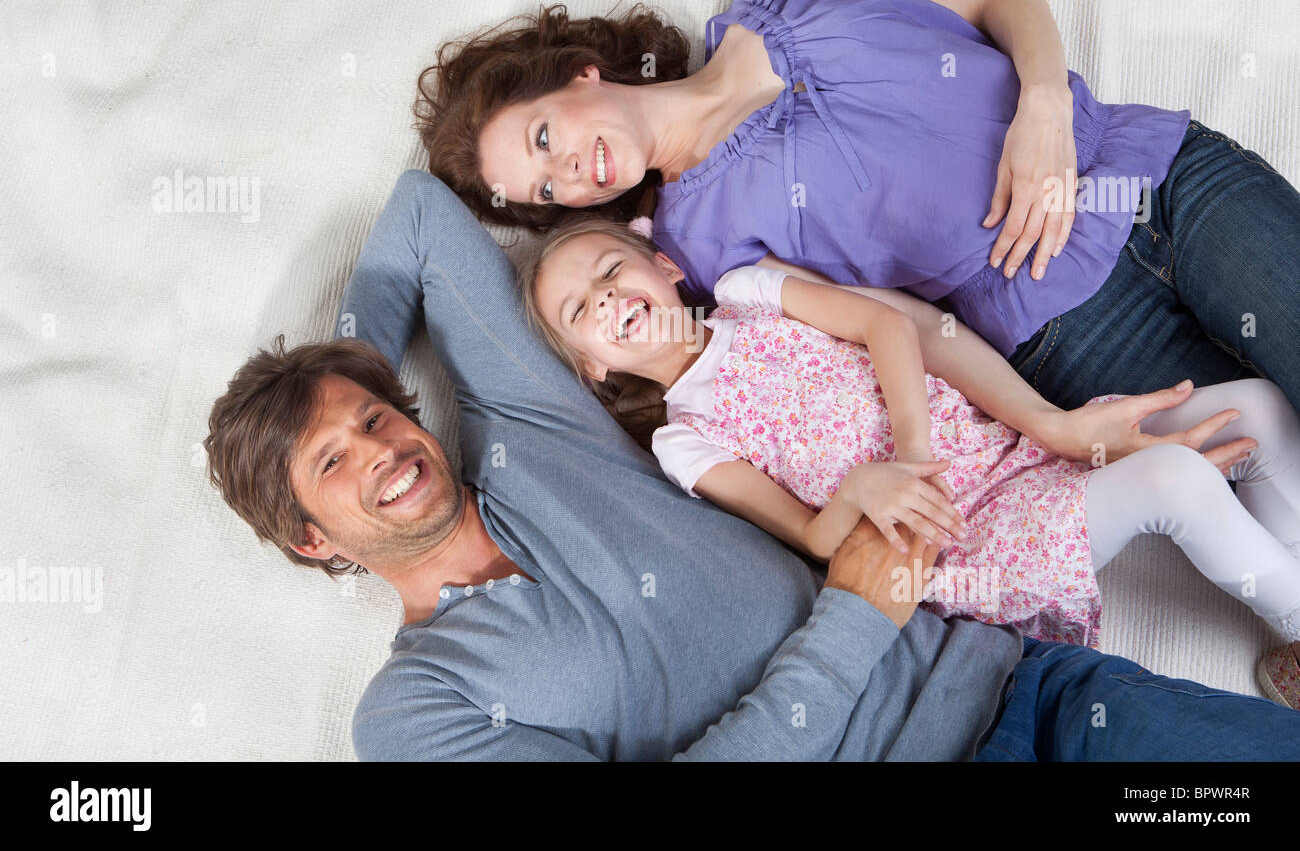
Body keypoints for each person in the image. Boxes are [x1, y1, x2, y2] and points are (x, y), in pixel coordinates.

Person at [205, 172, 1300, 760]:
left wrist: (337, 366)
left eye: (377, 417)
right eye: (332, 462)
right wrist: (853, 619)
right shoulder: (414, 710)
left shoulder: (531, 436)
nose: (385, 447)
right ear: (312, 537)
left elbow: (420, 221)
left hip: (1035, 690)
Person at [419, 0, 1300, 429]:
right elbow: (901, 332)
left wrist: (1041, 105)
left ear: (578, 77)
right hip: (1063, 321)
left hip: (1161, 176)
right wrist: (1046, 427)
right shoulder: (697, 255)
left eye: (544, 138)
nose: (566, 173)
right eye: (542, 191)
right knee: (1272, 465)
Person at [517, 213, 1300, 663]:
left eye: (612, 269)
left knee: (1256, 409)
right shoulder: (683, 437)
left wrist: (915, 451)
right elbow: (812, 536)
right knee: (1175, 480)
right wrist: (862, 489)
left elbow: (888, 323)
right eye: (583, 309)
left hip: (1001, 447)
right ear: (591, 365)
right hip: (964, 539)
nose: (609, 296)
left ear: (659, 263)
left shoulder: (745, 293)